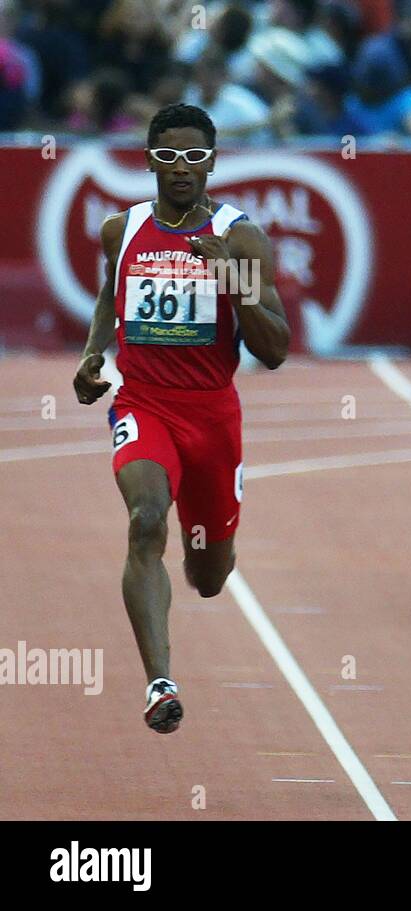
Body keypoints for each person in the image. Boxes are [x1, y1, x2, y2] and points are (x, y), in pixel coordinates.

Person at [72, 103, 290, 733]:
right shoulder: (124, 230)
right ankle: (159, 683)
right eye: (167, 156)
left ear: (214, 162)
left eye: (194, 156)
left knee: (208, 576)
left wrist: (232, 278)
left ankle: (210, 546)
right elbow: (105, 303)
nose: (181, 168)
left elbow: (274, 349)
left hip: (213, 418)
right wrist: (93, 358)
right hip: (144, 406)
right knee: (145, 522)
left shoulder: (239, 238)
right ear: (147, 160)